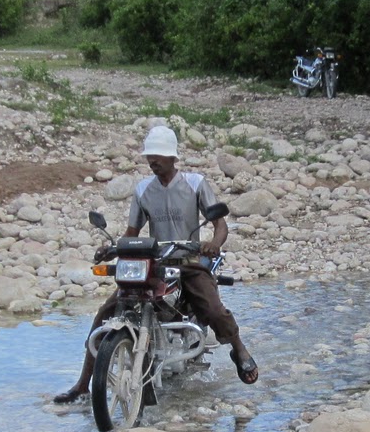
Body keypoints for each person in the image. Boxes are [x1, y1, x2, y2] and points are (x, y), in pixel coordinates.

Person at [53, 125, 258, 403]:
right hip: (153, 262)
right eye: (150, 155)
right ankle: (82, 385)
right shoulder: (143, 190)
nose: (153, 160)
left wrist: (214, 244)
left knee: (212, 308)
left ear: (173, 157)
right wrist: (113, 249)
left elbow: (220, 225)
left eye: (158, 155)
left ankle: (238, 347)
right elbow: (132, 233)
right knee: (104, 313)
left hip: (188, 260)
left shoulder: (195, 183)